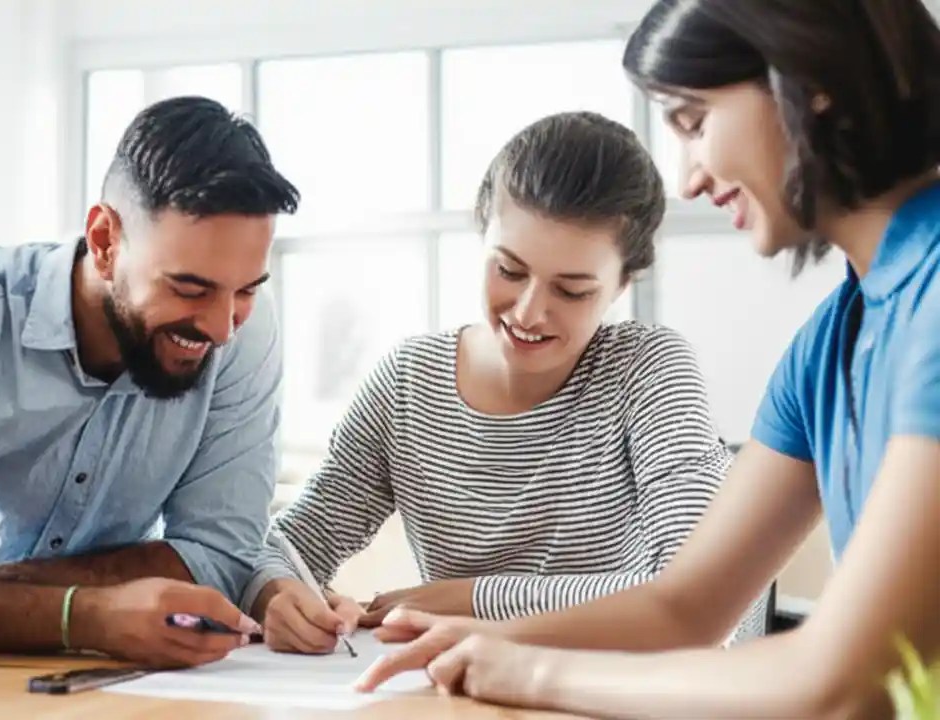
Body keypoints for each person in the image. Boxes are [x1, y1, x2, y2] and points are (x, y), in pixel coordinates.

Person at [357, 1, 940, 717]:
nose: (688, 178)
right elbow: (684, 608)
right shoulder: (830, 341)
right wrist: (466, 644)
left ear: (810, 81)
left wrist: (525, 670)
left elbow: (843, 680)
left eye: (694, 123)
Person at [247, 111, 766, 655]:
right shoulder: (408, 384)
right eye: (510, 271)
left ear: (621, 285)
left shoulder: (645, 369)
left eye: (572, 291)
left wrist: (467, 598)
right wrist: (279, 595)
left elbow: (704, 595)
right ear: (482, 234)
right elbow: (284, 545)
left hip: (616, 692)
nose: (529, 312)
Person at [0, 96, 301, 669]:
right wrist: (88, 614)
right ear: (104, 242)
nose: (223, 329)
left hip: (123, 685)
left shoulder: (246, 332)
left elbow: (221, 554)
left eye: (247, 289)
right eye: (190, 289)